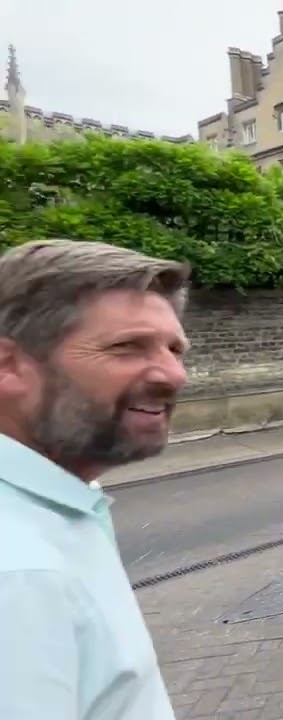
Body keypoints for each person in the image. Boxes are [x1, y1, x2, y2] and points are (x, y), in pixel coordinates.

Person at [0, 239, 188, 719]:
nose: (174, 374)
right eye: (127, 347)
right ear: (8, 367)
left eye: (175, 349)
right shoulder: (18, 573)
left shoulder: (61, 503)